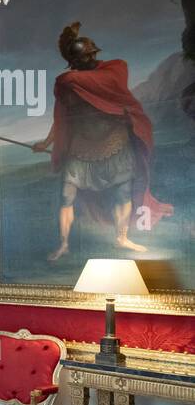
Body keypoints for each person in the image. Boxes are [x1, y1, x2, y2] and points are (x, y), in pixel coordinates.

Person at [33, 23, 172, 261]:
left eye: (91, 55)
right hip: (81, 147)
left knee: (123, 193)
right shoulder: (68, 85)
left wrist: (71, 78)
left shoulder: (111, 73)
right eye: (85, 57)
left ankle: (122, 238)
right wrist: (46, 144)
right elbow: (62, 120)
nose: (90, 59)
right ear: (75, 60)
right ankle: (64, 244)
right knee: (66, 196)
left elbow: (101, 81)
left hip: (115, 142)